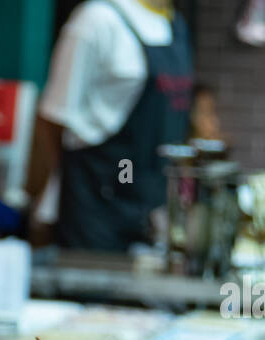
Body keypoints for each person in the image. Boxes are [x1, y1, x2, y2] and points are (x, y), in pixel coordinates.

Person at [27, 0, 193, 252]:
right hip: (94, 207)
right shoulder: (97, 20)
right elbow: (52, 119)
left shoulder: (173, 25)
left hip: (150, 211)